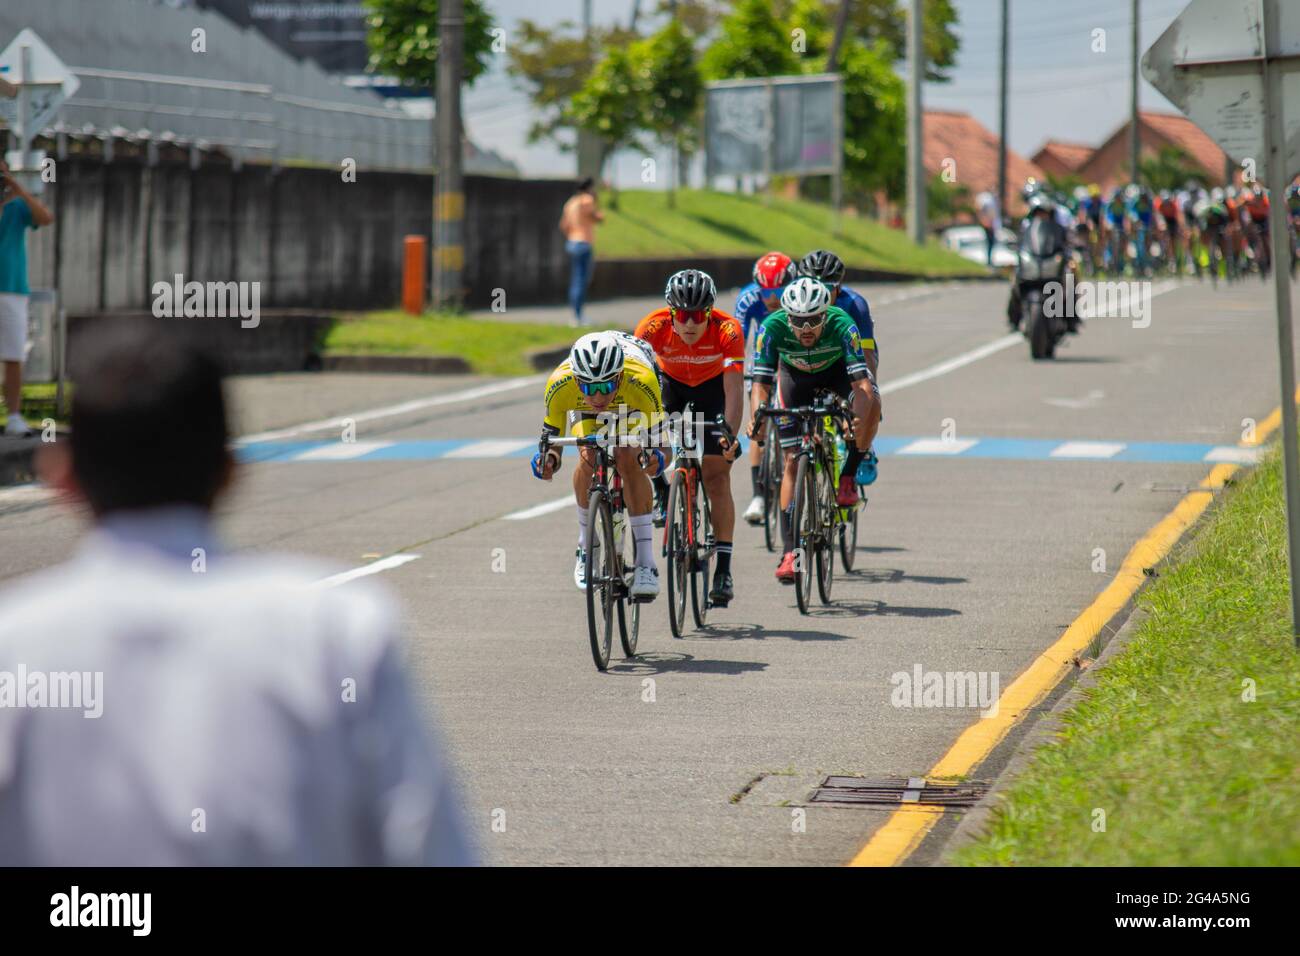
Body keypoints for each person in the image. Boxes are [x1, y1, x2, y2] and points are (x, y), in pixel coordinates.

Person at [0, 323, 473, 865]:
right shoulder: (343, 630)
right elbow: (428, 845)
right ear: (231, 472)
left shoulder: (14, 644)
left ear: (62, 476)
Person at [747, 277, 880, 583]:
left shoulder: (843, 324)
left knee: (872, 402)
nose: (806, 328)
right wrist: (757, 418)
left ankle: (848, 475)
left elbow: (861, 384)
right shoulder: (772, 327)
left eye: (814, 320)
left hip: (836, 374)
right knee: (793, 459)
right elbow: (761, 385)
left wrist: (855, 420)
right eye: (798, 321)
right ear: (787, 315)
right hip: (794, 380)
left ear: (826, 313)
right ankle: (790, 553)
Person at [634, 269, 745, 606]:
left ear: (709, 312)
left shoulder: (728, 330)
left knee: (716, 476)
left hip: (713, 391)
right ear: (671, 313)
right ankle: (661, 487)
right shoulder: (651, 327)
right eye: (683, 316)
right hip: (670, 386)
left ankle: (723, 569)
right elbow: (638, 382)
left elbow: (734, 388)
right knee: (645, 439)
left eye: (698, 316)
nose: (691, 323)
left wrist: (729, 433)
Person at [533, 330, 666, 600]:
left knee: (628, 456)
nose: (597, 397)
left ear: (618, 377)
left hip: (632, 403)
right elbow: (554, 441)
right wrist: (548, 460)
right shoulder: (561, 384)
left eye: (605, 387)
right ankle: (586, 543)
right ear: (576, 380)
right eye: (588, 387)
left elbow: (659, 443)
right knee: (588, 453)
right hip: (587, 411)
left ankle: (645, 562)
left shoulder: (641, 379)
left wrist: (655, 459)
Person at [796, 249, 880, 485]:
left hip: (848, 356)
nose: (820, 293)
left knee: (865, 397)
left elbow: (866, 356)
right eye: (814, 285)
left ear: (839, 287)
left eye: (828, 287)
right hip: (810, 360)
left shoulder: (855, 305)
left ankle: (859, 450)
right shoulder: (794, 300)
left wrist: (868, 397)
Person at [733, 251, 796, 524]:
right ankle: (758, 493)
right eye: (765, 290)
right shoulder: (748, 298)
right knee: (757, 420)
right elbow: (737, 342)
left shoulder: (797, 298)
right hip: (762, 356)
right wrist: (739, 375)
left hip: (791, 356)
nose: (771, 296)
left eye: (778, 290)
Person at [0, 159, 54, 438]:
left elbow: (45, 218)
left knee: (13, 353)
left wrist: (17, 189)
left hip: (12, 288)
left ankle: (14, 415)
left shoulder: (19, 205)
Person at [558, 177, 604, 327]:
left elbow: (563, 225)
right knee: (581, 281)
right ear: (589, 188)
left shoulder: (570, 203)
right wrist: (598, 206)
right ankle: (578, 317)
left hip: (572, 242)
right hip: (583, 243)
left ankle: (575, 315)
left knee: (575, 280)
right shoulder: (587, 200)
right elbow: (596, 217)